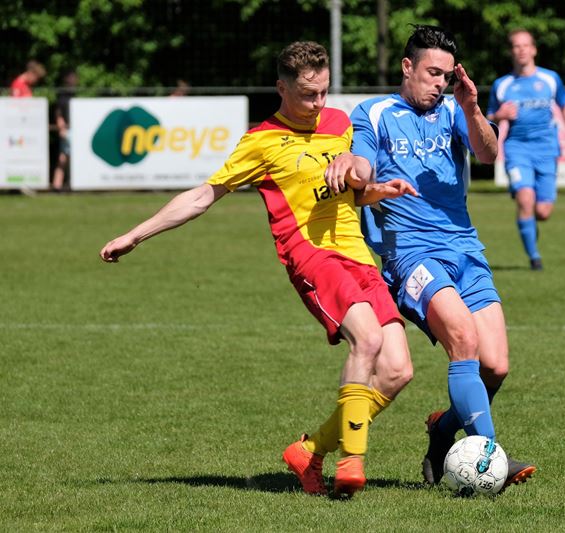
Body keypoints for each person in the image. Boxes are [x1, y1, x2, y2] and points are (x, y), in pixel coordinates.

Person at [99, 41, 417, 499]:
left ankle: (309, 451)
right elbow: (201, 196)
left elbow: (348, 192)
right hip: (311, 256)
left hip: (358, 253)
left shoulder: (340, 124)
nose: (318, 103)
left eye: (324, 92)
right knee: (366, 340)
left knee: (397, 371)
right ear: (281, 87)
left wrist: (379, 191)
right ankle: (352, 461)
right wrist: (135, 234)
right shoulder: (261, 140)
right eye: (308, 94)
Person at [324, 24, 536, 491]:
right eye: (432, 73)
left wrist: (471, 106)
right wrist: (348, 166)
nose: (439, 83)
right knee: (464, 340)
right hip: (410, 254)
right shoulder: (374, 113)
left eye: (446, 75)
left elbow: (487, 153)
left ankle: (442, 434)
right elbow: (361, 164)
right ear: (407, 67)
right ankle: (491, 460)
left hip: (466, 248)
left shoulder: (453, 109)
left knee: (496, 365)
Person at [487, 29, 565, 271]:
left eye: (526, 45)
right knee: (526, 200)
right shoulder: (502, 85)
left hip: (547, 148)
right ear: (511, 51)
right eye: (517, 46)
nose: (522, 50)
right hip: (517, 149)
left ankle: (530, 218)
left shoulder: (549, 79)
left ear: (534, 49)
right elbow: (487, 118)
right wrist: (499, 115)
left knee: (543, 211)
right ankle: (534, 258)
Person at [52, 71, 78, 191]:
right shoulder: (63, 96)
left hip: (75, 129)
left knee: (68, 157)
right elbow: (58, 114)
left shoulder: (74, 95)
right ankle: (57, 185)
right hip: (67, 130)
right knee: (63, 158)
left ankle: (68, 183)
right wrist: (61, 127)